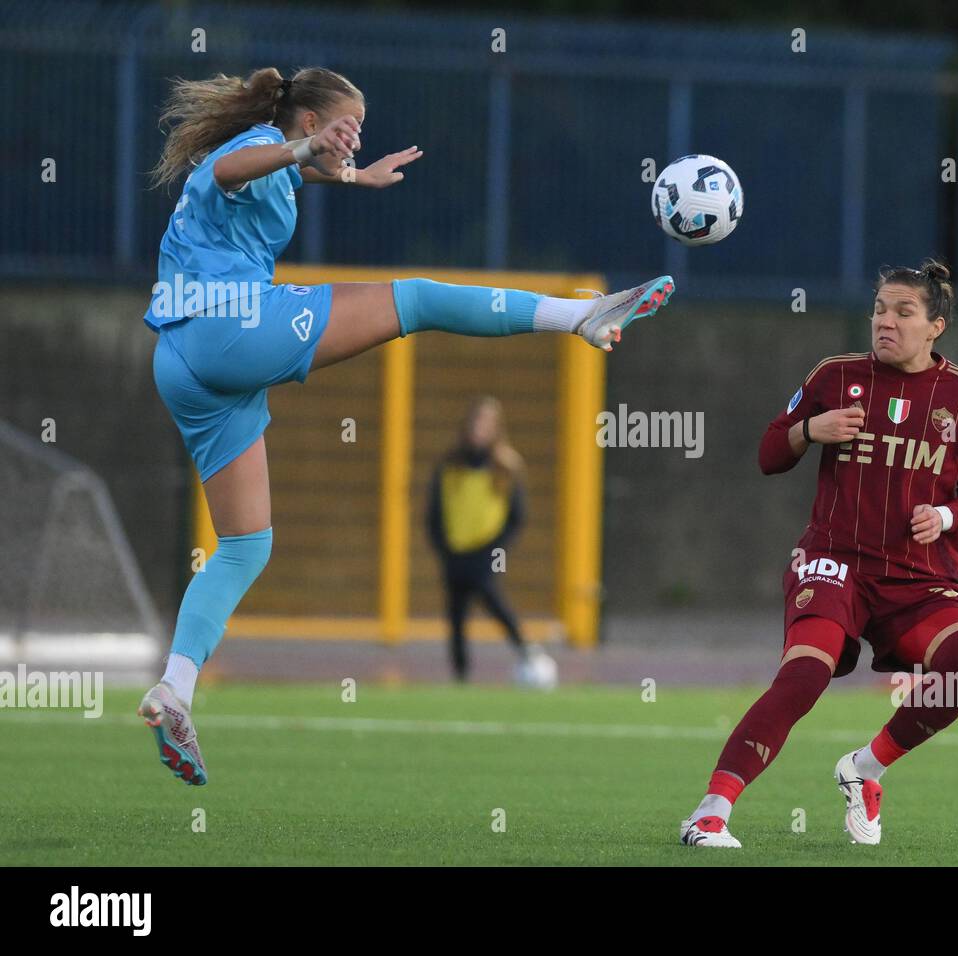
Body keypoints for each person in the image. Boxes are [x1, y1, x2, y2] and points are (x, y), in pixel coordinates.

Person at [137, 66, 674, 785]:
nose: (356, 137)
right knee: (416, 299)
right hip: (227, 328)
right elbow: (233, 167)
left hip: (182, 362)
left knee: (244, 545)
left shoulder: (283, 162)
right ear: (306, 123)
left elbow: (268, 178)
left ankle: (174, 688)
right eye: (346, 125)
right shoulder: (258, 144)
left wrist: (348, 178)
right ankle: (580, 314)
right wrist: (306, 155)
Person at [679, 260, 958, 848]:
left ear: (936, 326)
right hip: (835, 562)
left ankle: (865, 769)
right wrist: (810, 429)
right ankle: (709, 813)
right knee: (804, 674)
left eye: (904, 312)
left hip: (917, 577)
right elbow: (770, 453)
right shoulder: (835, 377)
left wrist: (947, 515)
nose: (886, 322)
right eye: (880, 309)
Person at [426, 397, 537, 681]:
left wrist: (496, 549)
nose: (479, 429)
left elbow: (516, 515)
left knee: (493, 601)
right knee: (456, 614)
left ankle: (527, 652)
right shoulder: (450, 466)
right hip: (455, 551)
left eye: (486, 424)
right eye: (476, 422)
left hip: (486, 552)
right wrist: (442, 546)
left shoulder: (505, 466)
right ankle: (461, 676)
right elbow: (435, 512)